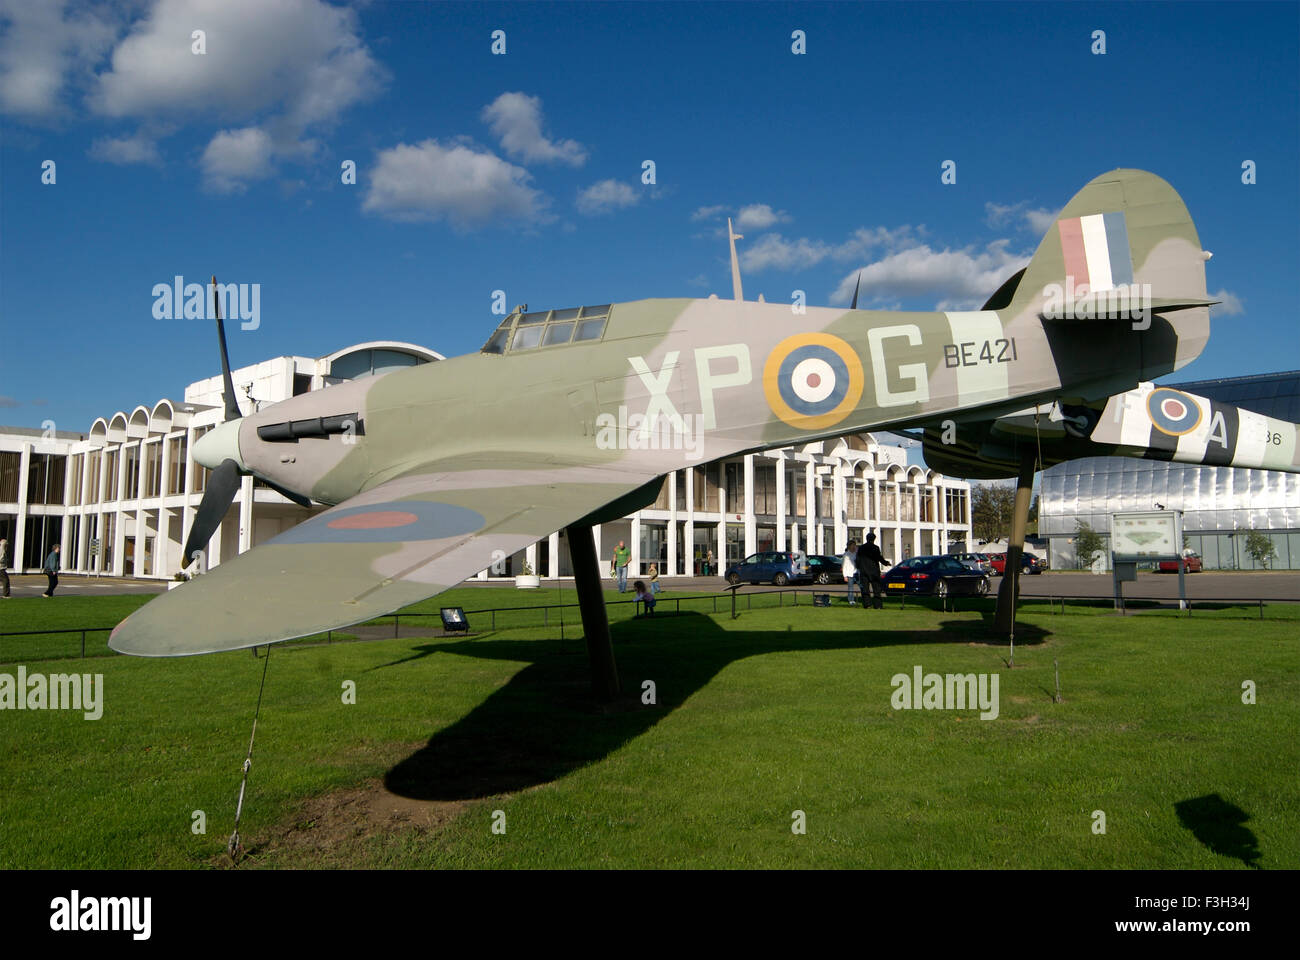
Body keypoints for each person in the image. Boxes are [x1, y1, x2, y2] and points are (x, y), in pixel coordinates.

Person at [857, 533, 890, 610]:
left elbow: (858, 559)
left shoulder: (861, 548)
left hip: (864, 571)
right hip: (874, 571)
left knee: (865, 589)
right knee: (876, 589)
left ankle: (867, 604)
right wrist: (885, 563)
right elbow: (879, 557)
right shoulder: (876, 548)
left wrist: (859, 567)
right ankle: (878, 605)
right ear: (874, 539)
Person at [842, 541, 858, 605]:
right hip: (849, 573)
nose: (854, 547)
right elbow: (844, 565)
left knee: (862, 586)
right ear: (849, 546)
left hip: (856, 572)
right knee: (850, 587)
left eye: (855, 545)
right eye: (853, 545)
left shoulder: (856, 554)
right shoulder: (846, 555)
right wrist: (845, 576)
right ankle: (851, 600)